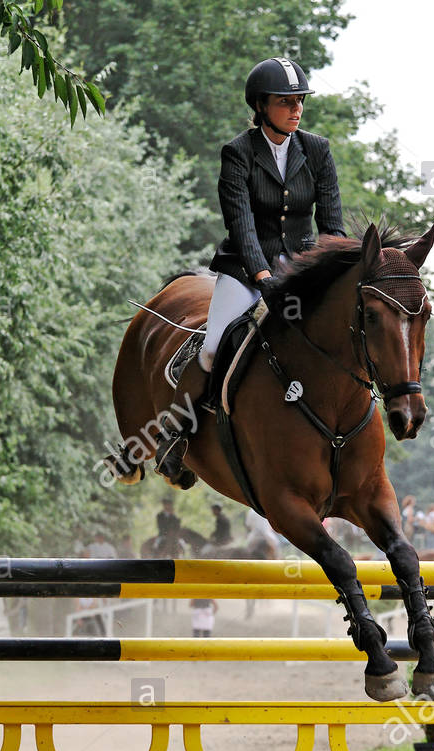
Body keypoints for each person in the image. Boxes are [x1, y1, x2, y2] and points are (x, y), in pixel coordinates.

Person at [155, 56, 346, 485]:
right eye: (286, 101)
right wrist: (262, 277)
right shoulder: (238, 153)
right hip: (245, 269)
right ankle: (174, 433)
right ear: (261, 105)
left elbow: (331, 224)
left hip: (300, 269)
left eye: (300, 101)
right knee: (212, 348)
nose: (296, 109)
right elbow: (240, 223)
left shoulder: (317, 151)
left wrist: (327, 274)